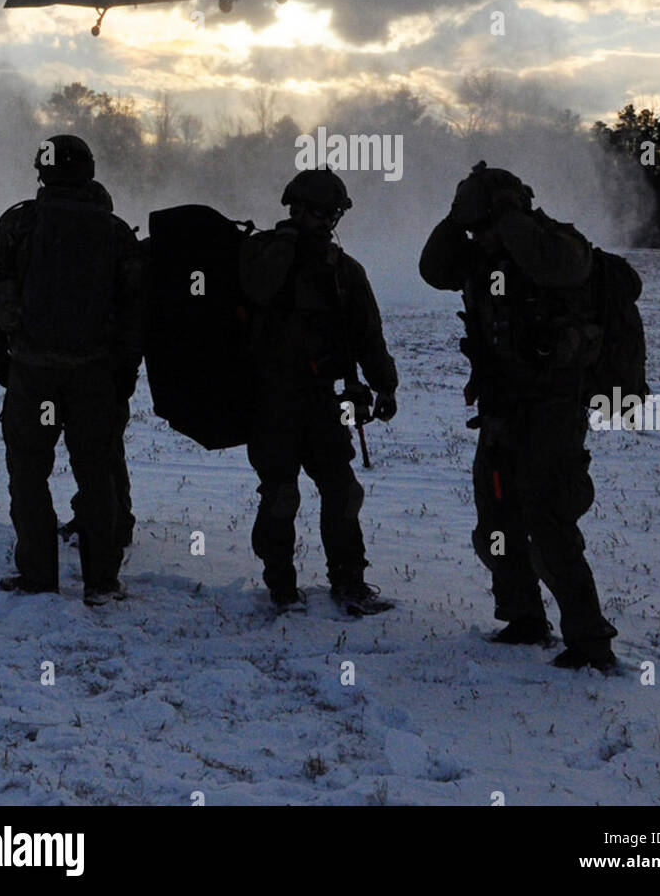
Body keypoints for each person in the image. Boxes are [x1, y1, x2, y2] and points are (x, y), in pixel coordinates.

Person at [419, 162, 618, 673]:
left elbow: (554, 268)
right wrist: (456, 215)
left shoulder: (559, 246)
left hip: (553, 409)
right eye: (475, 228)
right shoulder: (480, 257)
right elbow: (434, 269)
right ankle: (523, 617)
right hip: (501, 409)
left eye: (485, 224)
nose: (479, 237)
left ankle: (590, 640)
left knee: (549, 523)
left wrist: (505, 217)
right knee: (496, 521)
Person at [0, 135, 145, 605]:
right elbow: (135, 313)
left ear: (42, 173)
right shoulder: (114, 232)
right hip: (93, 376)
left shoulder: (19, 224)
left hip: (32, 375)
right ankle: (102, 581)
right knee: (97, 475)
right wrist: (122, 375)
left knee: (29, 473)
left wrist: (3, 360)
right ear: (88, 171)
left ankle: (38, 575)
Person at [239, 167, 398, 614]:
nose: (327, 221)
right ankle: (281, 587)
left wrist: (383, 384)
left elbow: (367, 334)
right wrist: (289, 245)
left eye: (333, 213)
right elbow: (258, 288)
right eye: (321, 212)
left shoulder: (343, 271)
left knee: (343, 491)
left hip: (323, 399)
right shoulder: (263, 254)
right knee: (281, 493)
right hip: (272, 399)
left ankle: (349, 582)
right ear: (298, 209)